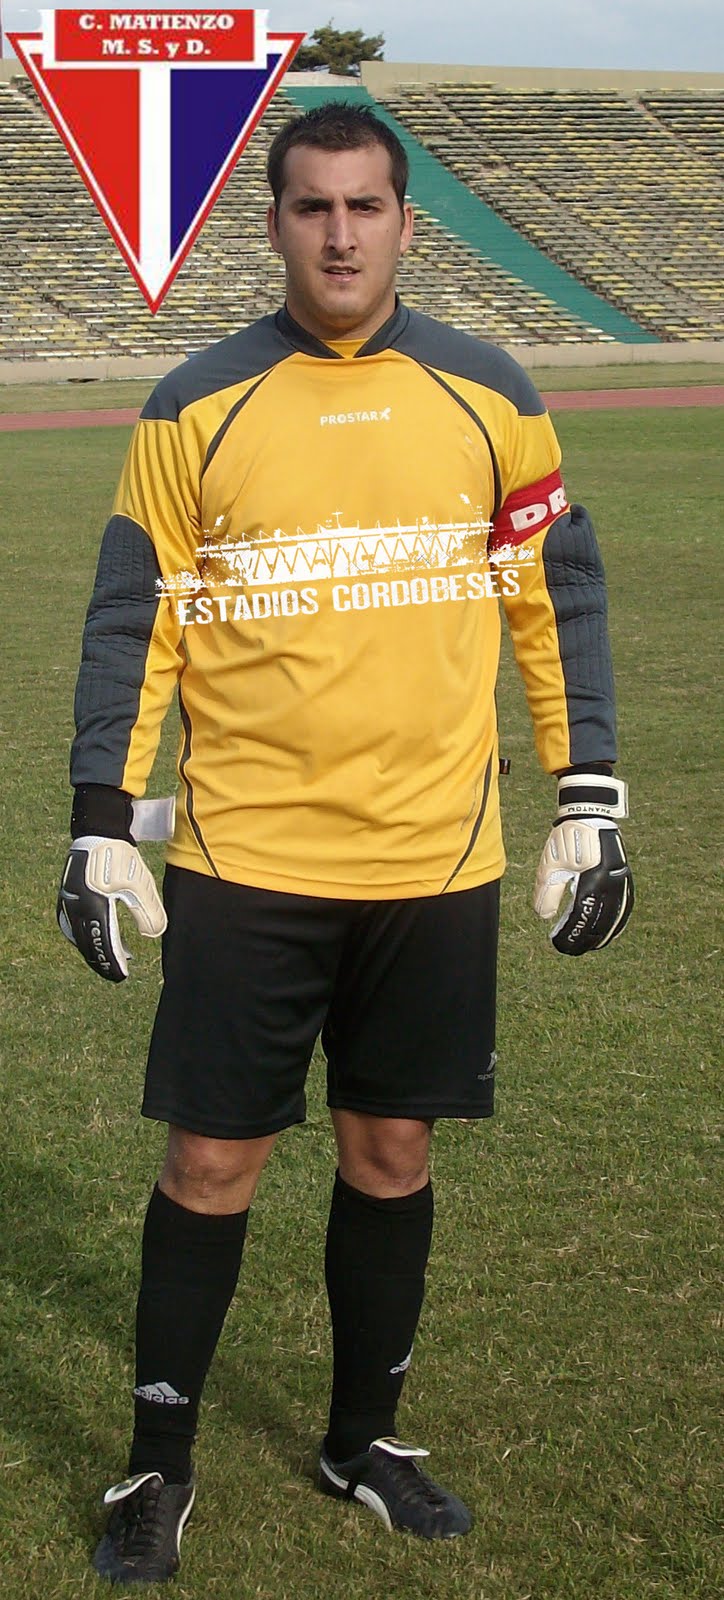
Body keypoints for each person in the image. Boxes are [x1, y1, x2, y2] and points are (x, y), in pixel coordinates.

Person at [57, 102, 633, 1586]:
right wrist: (97, 827)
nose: (338, 234)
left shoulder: (493, 392)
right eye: (311, 207)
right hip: (247, 863)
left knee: (391, 1149)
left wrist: (590, 795)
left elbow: (550, 601)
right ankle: (158, 1463)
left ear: (402, 221)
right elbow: (138, 621)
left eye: (365, 207)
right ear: (275, 225)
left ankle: (358, 1439)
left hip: (436, 866)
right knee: (209, 1165)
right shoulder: (195, 404)